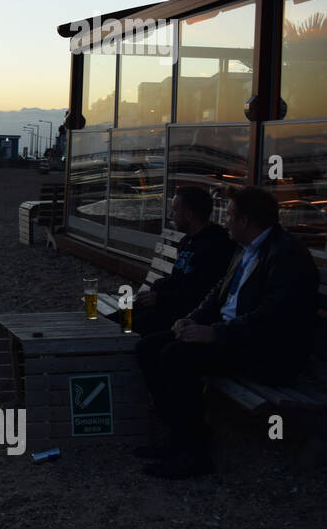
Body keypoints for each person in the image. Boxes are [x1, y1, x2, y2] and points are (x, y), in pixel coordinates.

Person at [135, 186, 318, 479]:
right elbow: (218, 293)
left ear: (246, 220)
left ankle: (194, 455)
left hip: (266, 351)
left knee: (176, 356)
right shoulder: (244, 249)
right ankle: (180, 435)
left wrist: (215, 333)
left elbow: (272, 318)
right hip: (234, 337)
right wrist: (190, 319)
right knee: (148, 347)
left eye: (230, 215)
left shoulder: (286, 256)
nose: (225, 221)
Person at [131, 186, 235, 334]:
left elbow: (200, 292)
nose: (170, 214)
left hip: (183, 316)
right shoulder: (187, 240)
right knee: (117, 319)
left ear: (189, 215)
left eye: (174, 209)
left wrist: (160, 298)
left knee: (128, 327)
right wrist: (156, 289)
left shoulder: (216, 245)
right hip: (167, 304)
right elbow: (178, 278)